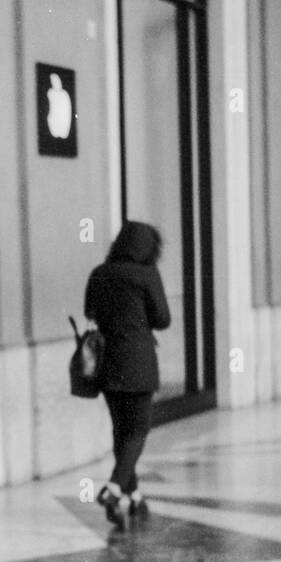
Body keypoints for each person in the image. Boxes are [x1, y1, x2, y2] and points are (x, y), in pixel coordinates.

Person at [83, 221, 171, 529]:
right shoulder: (147, 274)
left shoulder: (99, 273)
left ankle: (134, 496)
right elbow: (162, 319)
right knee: (138, 429)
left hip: (107, 363)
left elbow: (89, 312)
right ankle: (115, 488)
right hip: (138, 362)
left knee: (121, 430)